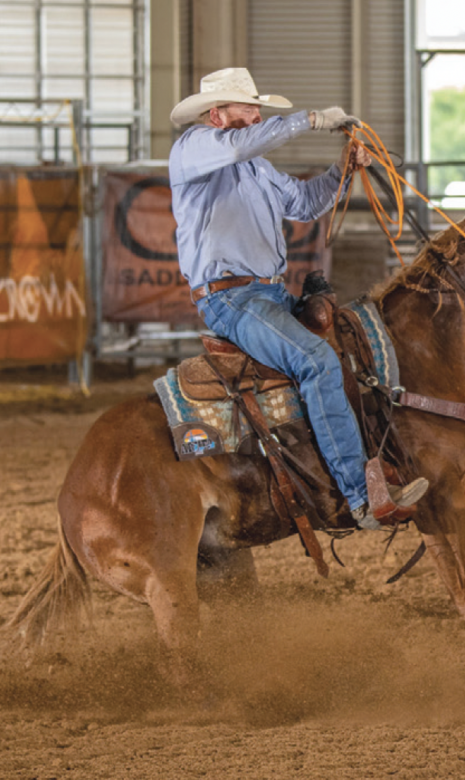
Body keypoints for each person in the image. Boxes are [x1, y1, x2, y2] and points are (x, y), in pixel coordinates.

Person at [168, 67, 425, 529]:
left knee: (350, 346)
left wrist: (341, 172)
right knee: (316, 362)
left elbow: (306, 203)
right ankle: (360, 496)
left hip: (266, 295)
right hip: (232, 301)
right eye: (246, 106)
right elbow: (244, 144)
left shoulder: (256, 167)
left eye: (256, 107)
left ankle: (371, 463)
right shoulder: (194, 148)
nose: (256, 113)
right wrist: (310, 120)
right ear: (216, 113)